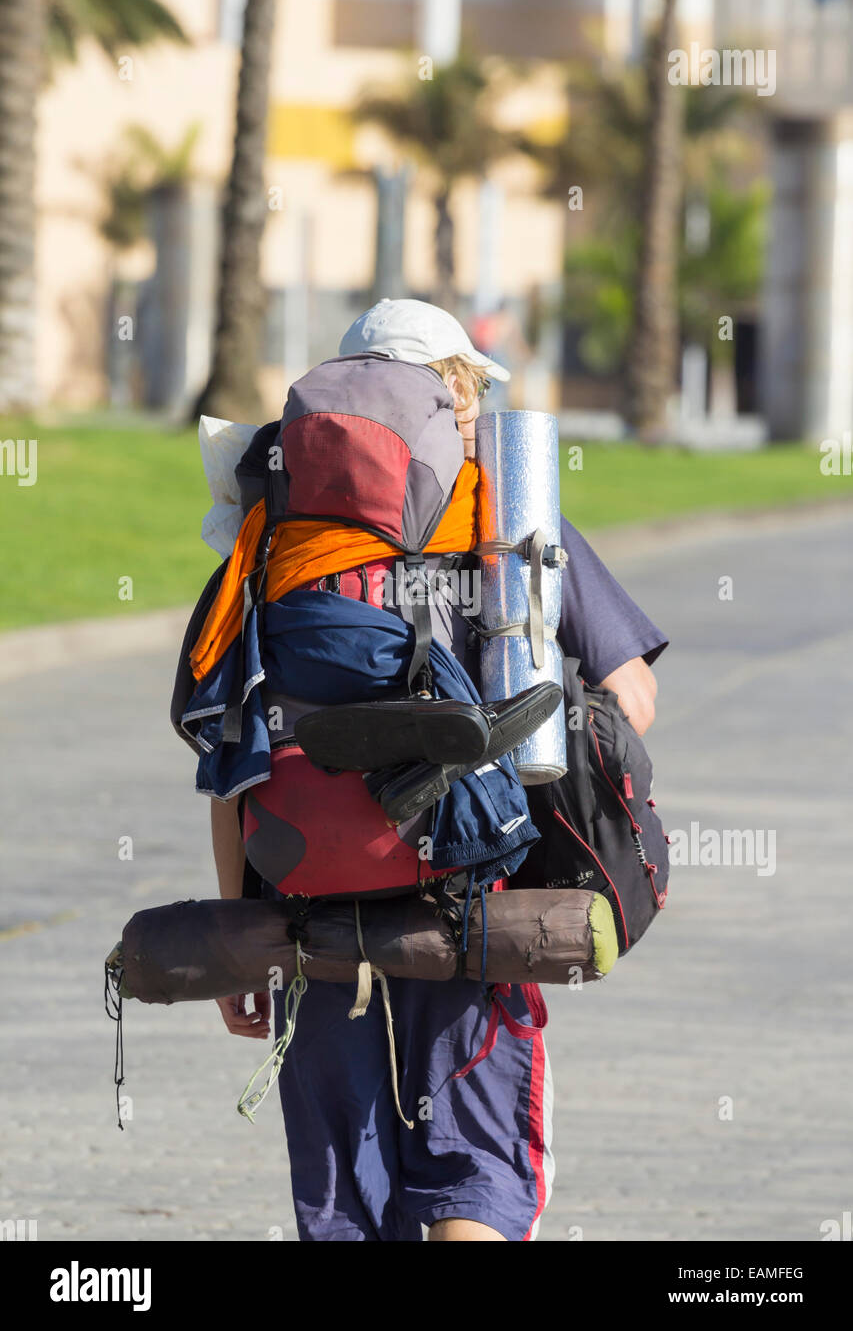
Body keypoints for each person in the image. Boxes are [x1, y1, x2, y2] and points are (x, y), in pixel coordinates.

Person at [208, 299, 667, 1242]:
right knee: (474, 1167)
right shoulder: (504, 503)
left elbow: (230, 756)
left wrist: (236, 935)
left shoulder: (270, 531)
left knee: (342, 1192)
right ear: (450, 388)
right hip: (468, 898)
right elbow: (630, 694)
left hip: (302, 899)